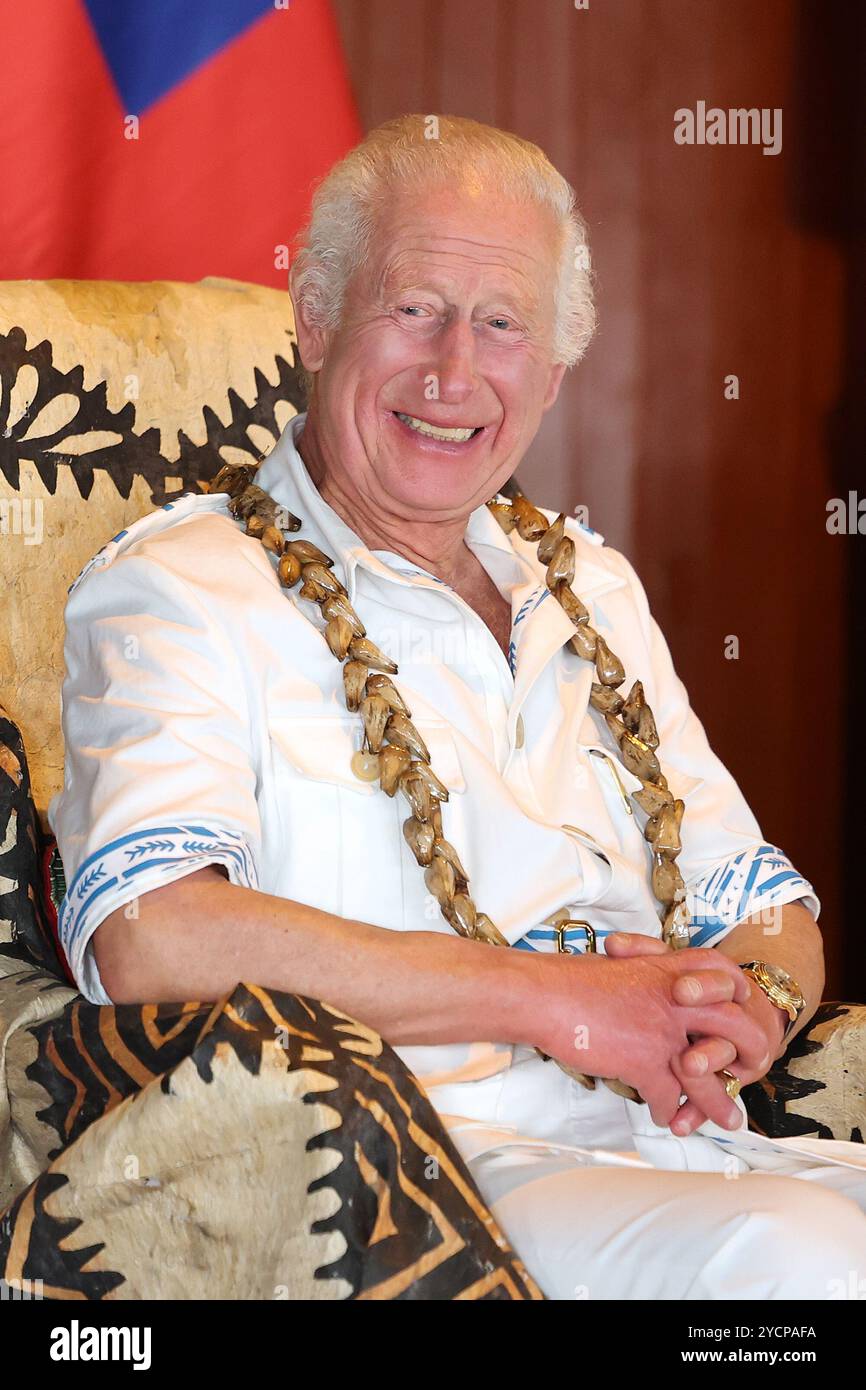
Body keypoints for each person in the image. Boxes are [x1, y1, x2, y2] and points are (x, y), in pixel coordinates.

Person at [51, 114, 866, 1299]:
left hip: (682, 1145)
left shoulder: (592, 587)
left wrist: (747, 1004)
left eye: (499, 324)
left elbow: (765, 905)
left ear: (551, 367)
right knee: (810, 1267)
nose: (452, 372)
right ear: (317, 321)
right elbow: (145, 935)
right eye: (412, 308)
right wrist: (559, 1006)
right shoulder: (178, 586)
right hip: (416, 1175)